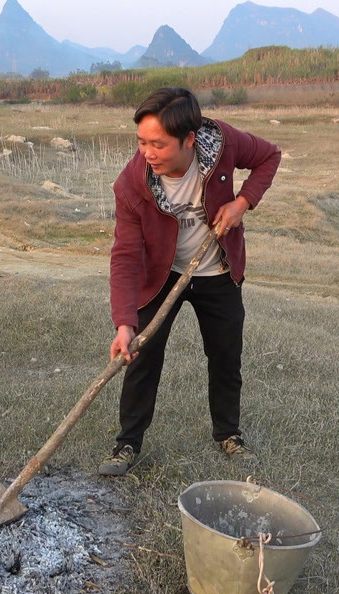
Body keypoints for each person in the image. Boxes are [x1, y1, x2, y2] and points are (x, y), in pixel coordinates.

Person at [99, 87, 281, 475]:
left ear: (189, 140)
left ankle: (228, 434)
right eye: (141, 142)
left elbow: (269, 156)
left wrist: (242, 202)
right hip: (161, 276)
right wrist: (124, 323)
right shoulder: (133, 183)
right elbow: (126, 255)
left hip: (217, 270)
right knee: (142, 356)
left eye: (158, 145)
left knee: (225, 354)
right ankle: (127, 443)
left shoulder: (225, 143)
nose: (147, 153)